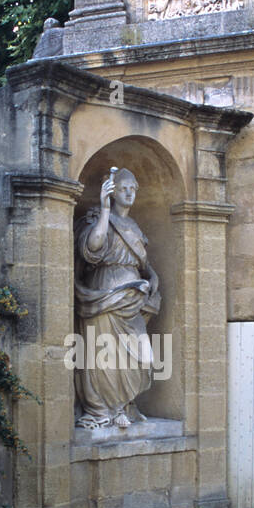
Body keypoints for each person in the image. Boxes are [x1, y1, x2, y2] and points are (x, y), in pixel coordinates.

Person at [74, 168, 161, 429]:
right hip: (104, 295)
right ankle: (107, 409)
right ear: (112, 192)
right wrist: (104, 210)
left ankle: (125, 404)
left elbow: (142, 262)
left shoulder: (134, 226)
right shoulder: (99, 219)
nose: (129, 193)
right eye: (123, 188)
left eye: (133, 189)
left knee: (141, 357)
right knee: (105, 354)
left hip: (133, 297)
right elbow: (93, 247)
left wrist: (152, 277)